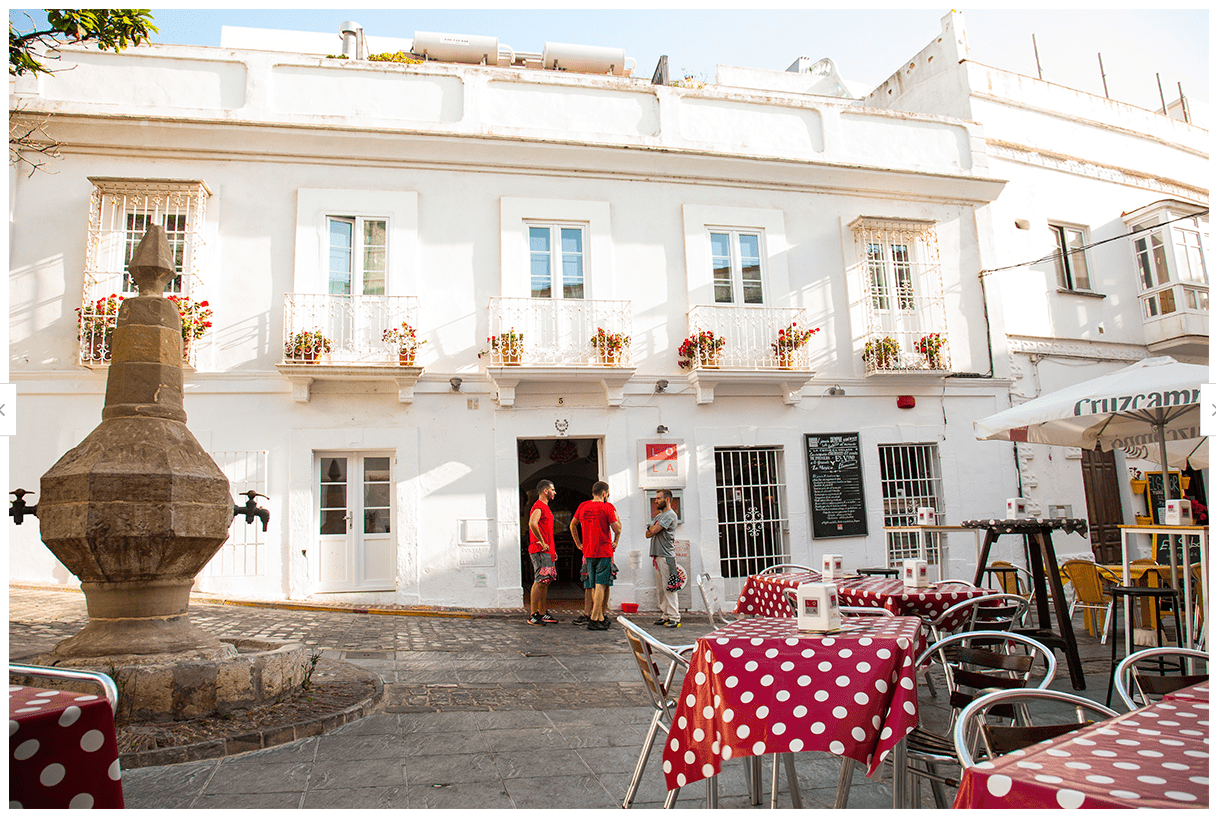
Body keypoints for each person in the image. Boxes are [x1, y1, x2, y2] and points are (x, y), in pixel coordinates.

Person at [571, 481, 622, 631]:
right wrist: (616, 536)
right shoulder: (607, 507)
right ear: (604, 493)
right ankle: (595, 617)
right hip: (603, 550)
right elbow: (617, 529)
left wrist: (578, 543)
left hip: (588, 551)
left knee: (592, 585)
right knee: (601, 584)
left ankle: (599, 617)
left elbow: (572, 525)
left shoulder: (583, 506)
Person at [526, 479, 559, 625]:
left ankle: (542, 612)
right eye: (553, 490)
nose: (554, 492)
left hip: (547, 551)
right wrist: (541, 541)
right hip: (539, 550)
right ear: (546, 491)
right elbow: (532, 523)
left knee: (545, 581)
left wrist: (552, 549)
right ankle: (533, 614)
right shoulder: (538, 506)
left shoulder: (545, 507)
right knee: (539, 580)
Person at [646, 489, 680, 628]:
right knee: (661, 588)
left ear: (667, 499)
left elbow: (653, 531)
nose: (655, 501)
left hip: (666, 557)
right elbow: (648, 534)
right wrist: (652, 529)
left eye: (658, 498)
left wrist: (651, 528)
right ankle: (665, 614)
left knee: (669, 588)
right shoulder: (660, 516)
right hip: (658, 556)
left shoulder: (670, 515)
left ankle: (674, 616)